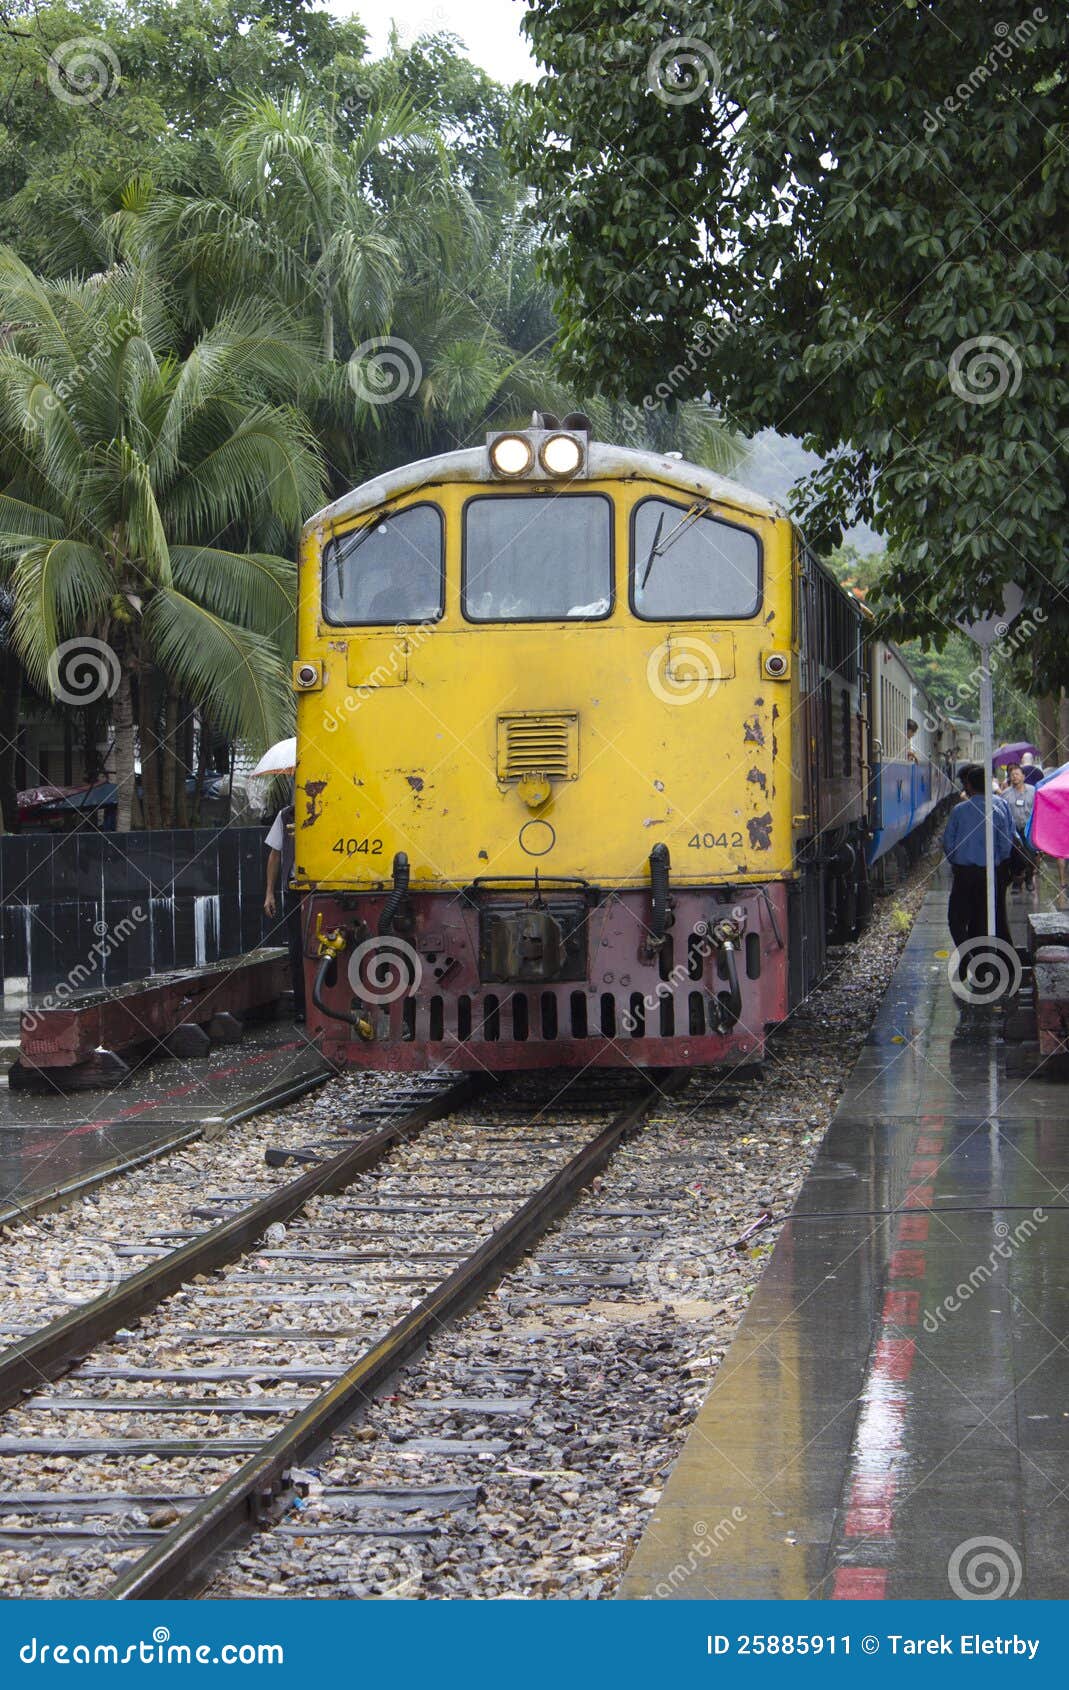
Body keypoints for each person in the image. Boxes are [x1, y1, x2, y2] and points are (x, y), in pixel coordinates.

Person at [942, 764, 1015, 957]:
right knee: (984, 918)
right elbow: (1006, 844)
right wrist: (996, 863)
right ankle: (985, 962)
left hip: (964, 874)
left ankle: (967, 956)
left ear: (969, 786)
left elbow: (948, 842)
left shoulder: (959, 810)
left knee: (956, 918)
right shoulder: (999, 808)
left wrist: (957, 861)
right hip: (990, 873)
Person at [264, 802, 307, 1023]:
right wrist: (269, 893)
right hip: (294, 889)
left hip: (325, 888)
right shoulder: (285, 815)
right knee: (297, 948)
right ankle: (303, 1006)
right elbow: (275, 854)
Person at [1004, 763, 1036, 891]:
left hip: (1029, 828)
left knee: (1031, 855)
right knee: (1016, 856)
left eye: (1017, 774)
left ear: (1023, 776)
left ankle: (1029, 878)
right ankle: (1017, 882)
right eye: (1012, 775)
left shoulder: (1033, 791)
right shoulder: (1006, 793)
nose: (1015, 777)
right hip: (1013, 829)